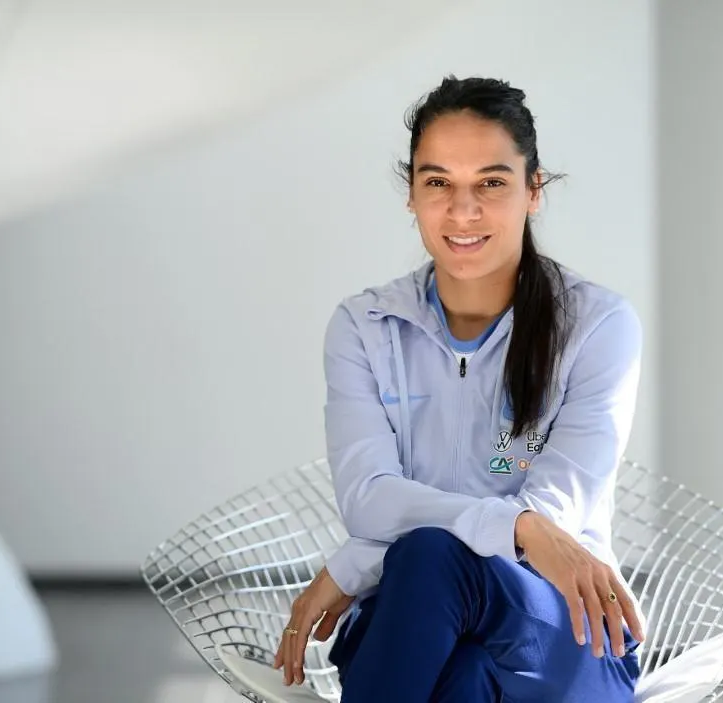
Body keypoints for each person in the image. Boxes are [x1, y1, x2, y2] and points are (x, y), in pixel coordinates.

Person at [273, 75, 646, 702]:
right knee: (461, 669)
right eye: (438, 183)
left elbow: (557, 513)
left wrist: (355, 563)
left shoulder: (597, 326)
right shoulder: (365, 328)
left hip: (563, 631)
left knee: (426, 557)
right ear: (412, 196)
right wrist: (519, 525)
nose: (463, 211)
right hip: (410, 626)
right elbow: (369, 499)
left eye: (491, 184)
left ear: (534, 191)